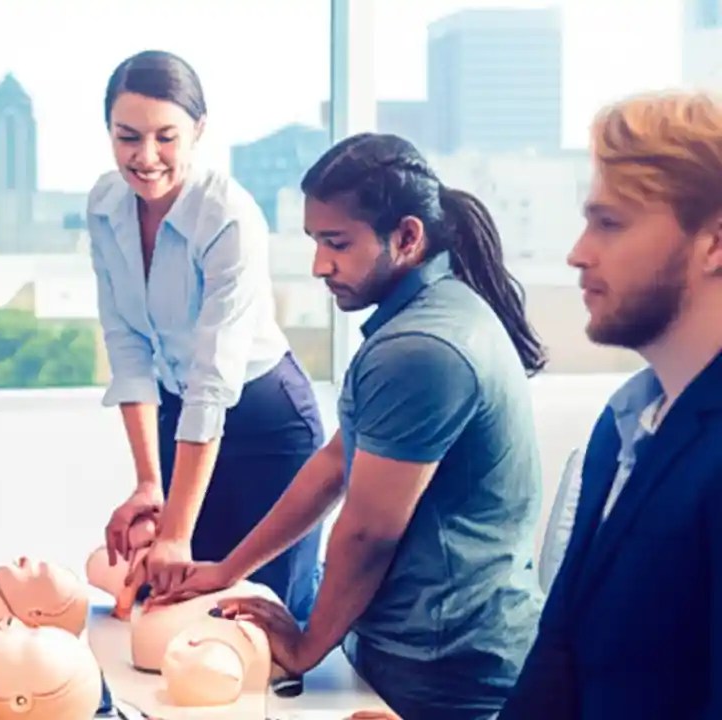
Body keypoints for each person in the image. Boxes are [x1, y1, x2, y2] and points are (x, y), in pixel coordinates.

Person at [156, 133, 548, 720]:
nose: (320, 266)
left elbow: (368, 533)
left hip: (442, 672)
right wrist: (228, 569)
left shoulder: (420, 349)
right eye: (316, 241)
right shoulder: (425, 319)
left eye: (337, 244)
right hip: (422, 646)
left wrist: (309, 644)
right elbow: (336, 462)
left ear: (408, 237)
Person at [500, 92, 722, 720]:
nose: (578, 252)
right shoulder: (625, 421)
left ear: (715, 243)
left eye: (611, 223)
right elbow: (562, 656)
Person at [88, 49, 326, 619]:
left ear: (199, 130)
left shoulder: (228, 217)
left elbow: (213, 382)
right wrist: (151, 483)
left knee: (259, 620)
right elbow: (128, 348)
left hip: (267, 424)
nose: (146, 158)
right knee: (181, 612)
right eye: (127, 138)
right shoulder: (104, 205)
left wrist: (176, 525)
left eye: (166, 137)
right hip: (185, 418)